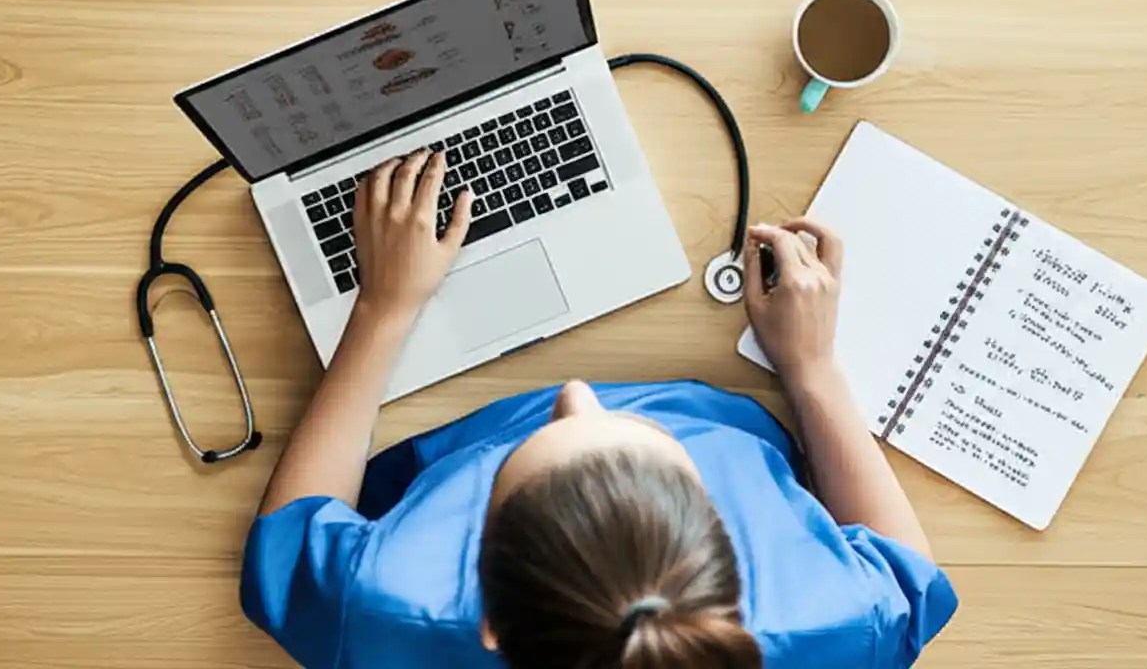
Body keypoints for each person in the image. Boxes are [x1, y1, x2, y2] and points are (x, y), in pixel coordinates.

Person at [241, 150, 957, 668]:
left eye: (553, 431)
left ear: (489, 620)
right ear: (728, 569)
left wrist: (381, 308)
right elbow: (909, 577)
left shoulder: (377, 607)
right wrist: (814, 368)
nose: (576, 395)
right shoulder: (834, 620)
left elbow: (289, 534)